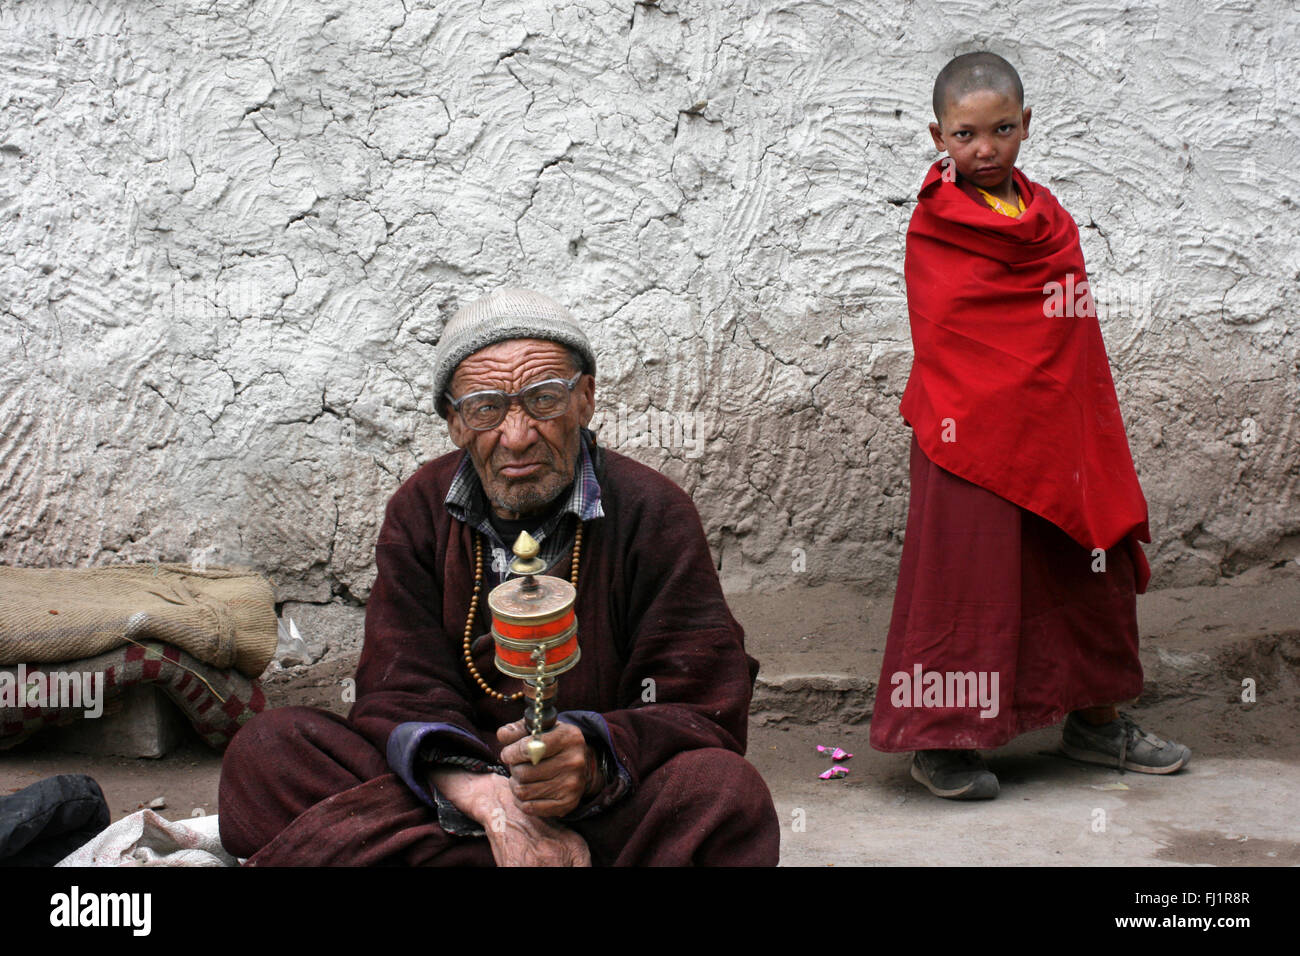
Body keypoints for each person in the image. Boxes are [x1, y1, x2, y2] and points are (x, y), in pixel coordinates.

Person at [218, 288, 779, 865]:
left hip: (600, 802)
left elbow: (700, 703)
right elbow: (399, 688)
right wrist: (489, 802)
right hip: (453, 798)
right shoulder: (420, 509)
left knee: (724, 795)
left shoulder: (652, 512)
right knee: (267, 751)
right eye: (486, 408)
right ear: (455, 422)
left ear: (585, 398)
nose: (516, 436)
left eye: (543, 400)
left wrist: (591, 758)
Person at [870, 52, 1190, 799]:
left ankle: (1096, 721)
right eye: (966, 134)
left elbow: (1072, 336)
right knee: (966, 584)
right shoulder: (937, 226)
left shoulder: (1049, 219)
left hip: (1055, 429)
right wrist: (1000, 397)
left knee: (1085, 564)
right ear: (938, 136)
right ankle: (943, 743)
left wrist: (1070, 419)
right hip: (969, 435)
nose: (985, 150)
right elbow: (948, 328)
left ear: (1027, 125)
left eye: (1003, 129)